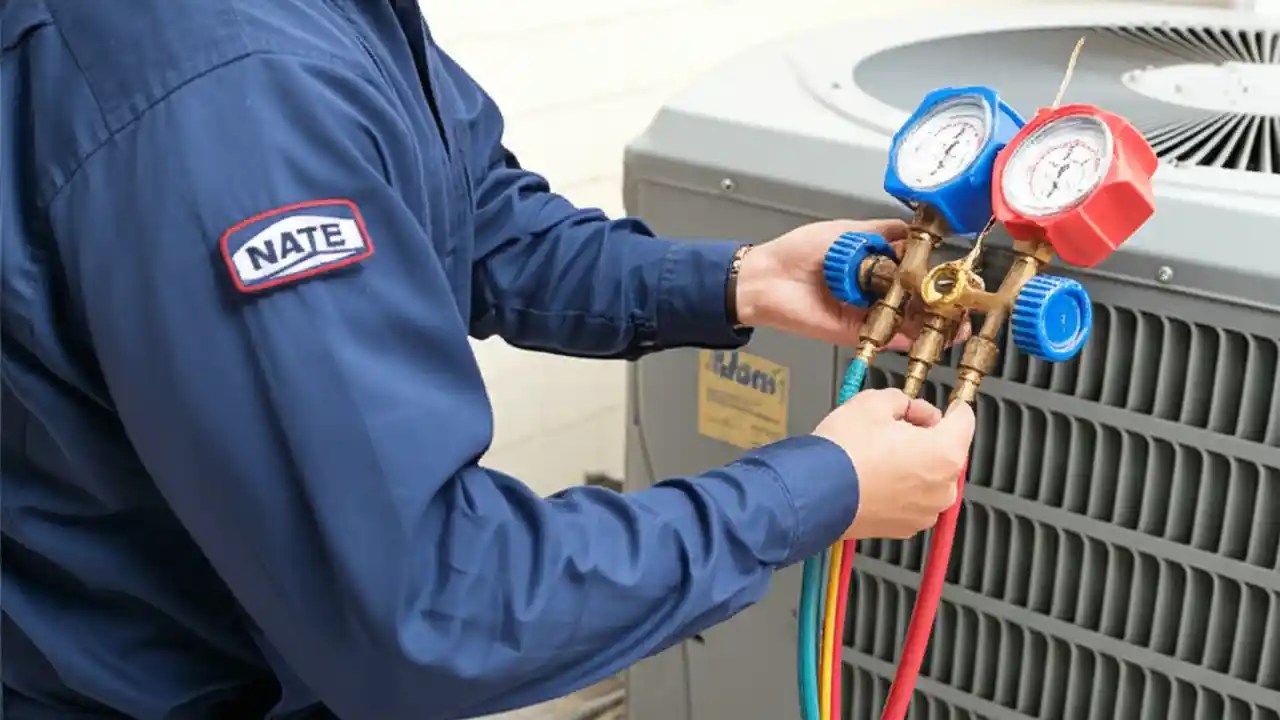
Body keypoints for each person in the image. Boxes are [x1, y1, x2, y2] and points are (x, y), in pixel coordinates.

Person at [0, 1, 975, 718]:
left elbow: (473, 215)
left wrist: (738, 279)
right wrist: (817, 490)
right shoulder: (233, 95)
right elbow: (432, 610)